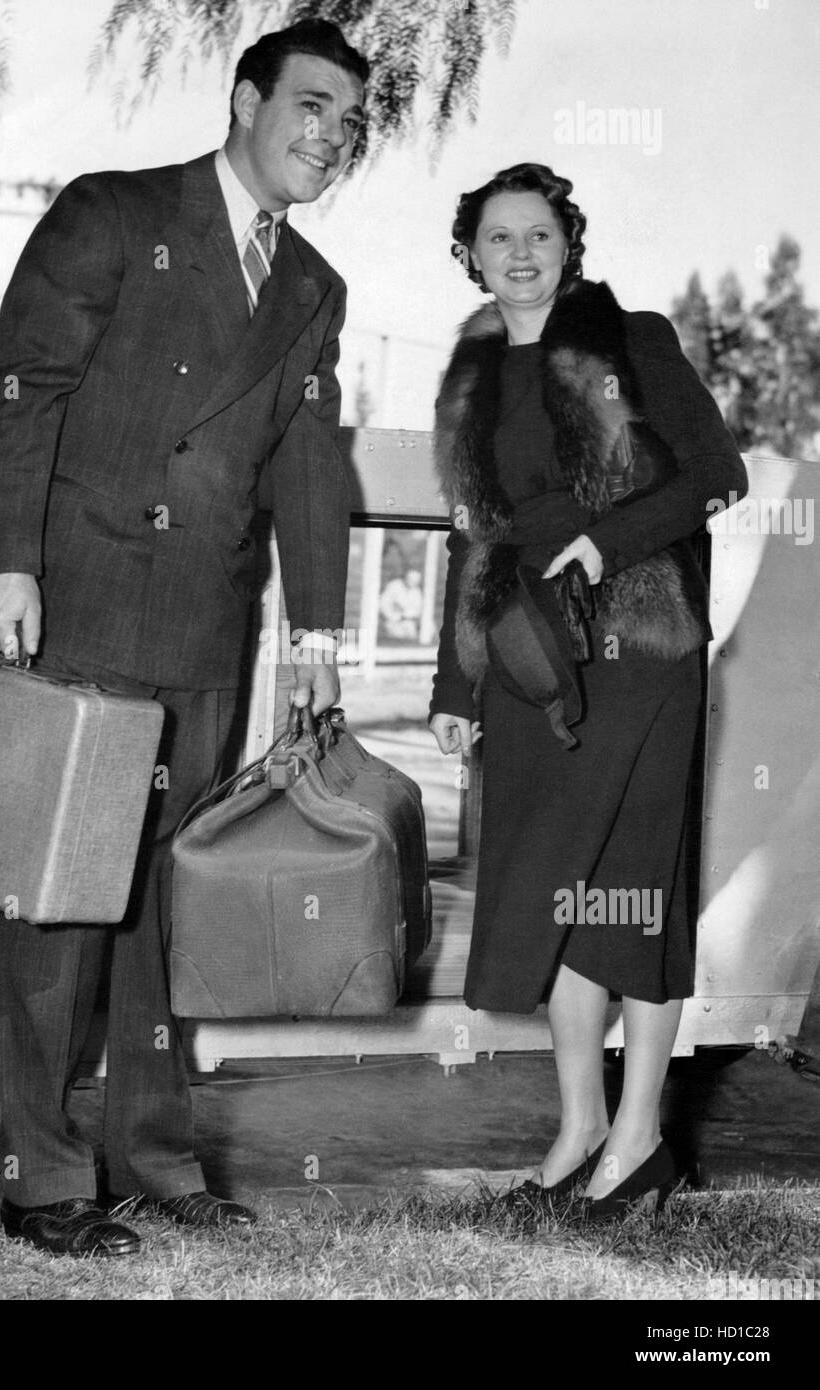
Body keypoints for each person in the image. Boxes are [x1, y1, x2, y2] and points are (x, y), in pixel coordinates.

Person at [0, 19, 368, 1257]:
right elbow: (26, 384)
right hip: (79, 599)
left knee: (157, 907)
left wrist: (313, 625)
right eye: (308, 106)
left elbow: (306, 461)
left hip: (206, 626)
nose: (327, 138)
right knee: (56, 904)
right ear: (244, 99)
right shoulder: (111, 210)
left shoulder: (312, 290)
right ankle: (39, 1180)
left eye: (346, 123)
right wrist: (8, 564)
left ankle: (150, 1160)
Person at [429, 163, 747, 1222]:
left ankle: (641, 1136)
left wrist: (597, 546)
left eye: (537, 234)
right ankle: (576, 1131)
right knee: (557, 896)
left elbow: (713, 471)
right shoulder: (470, 374)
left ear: (567, 244)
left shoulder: (631, 340)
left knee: (629, 890)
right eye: (496, 237)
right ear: (469, 254)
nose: (518, 253)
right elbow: (473, 534)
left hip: (640, 646)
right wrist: (451, 680)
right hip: (531, 659)